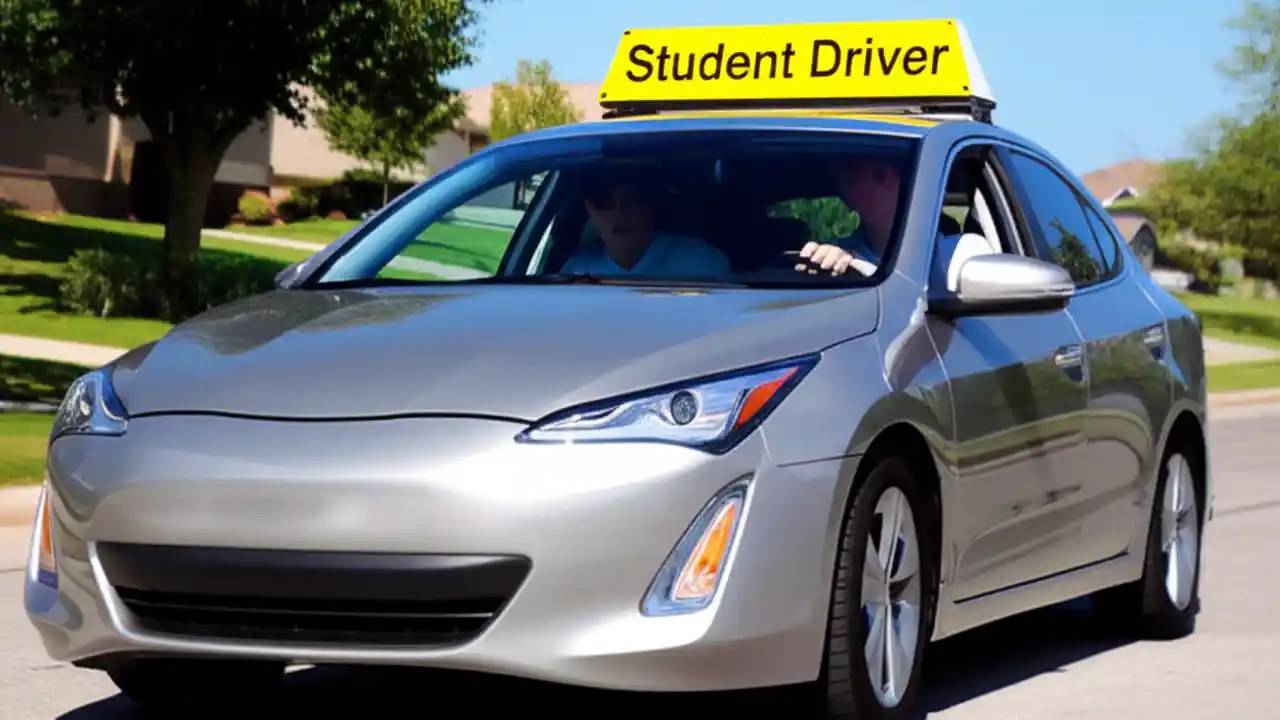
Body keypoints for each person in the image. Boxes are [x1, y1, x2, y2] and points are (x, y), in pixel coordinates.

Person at [560, 166, 730, 278]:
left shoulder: (701, 264)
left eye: (631, 200)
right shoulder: (576, 270)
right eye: (605, 203)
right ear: (590, 210)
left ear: (650, 205)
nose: (620, 212)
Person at [794, 154, 910, 277]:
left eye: (852, 171)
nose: (846, 191)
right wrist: (825, 264)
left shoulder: (929, 262)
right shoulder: (837, 256)